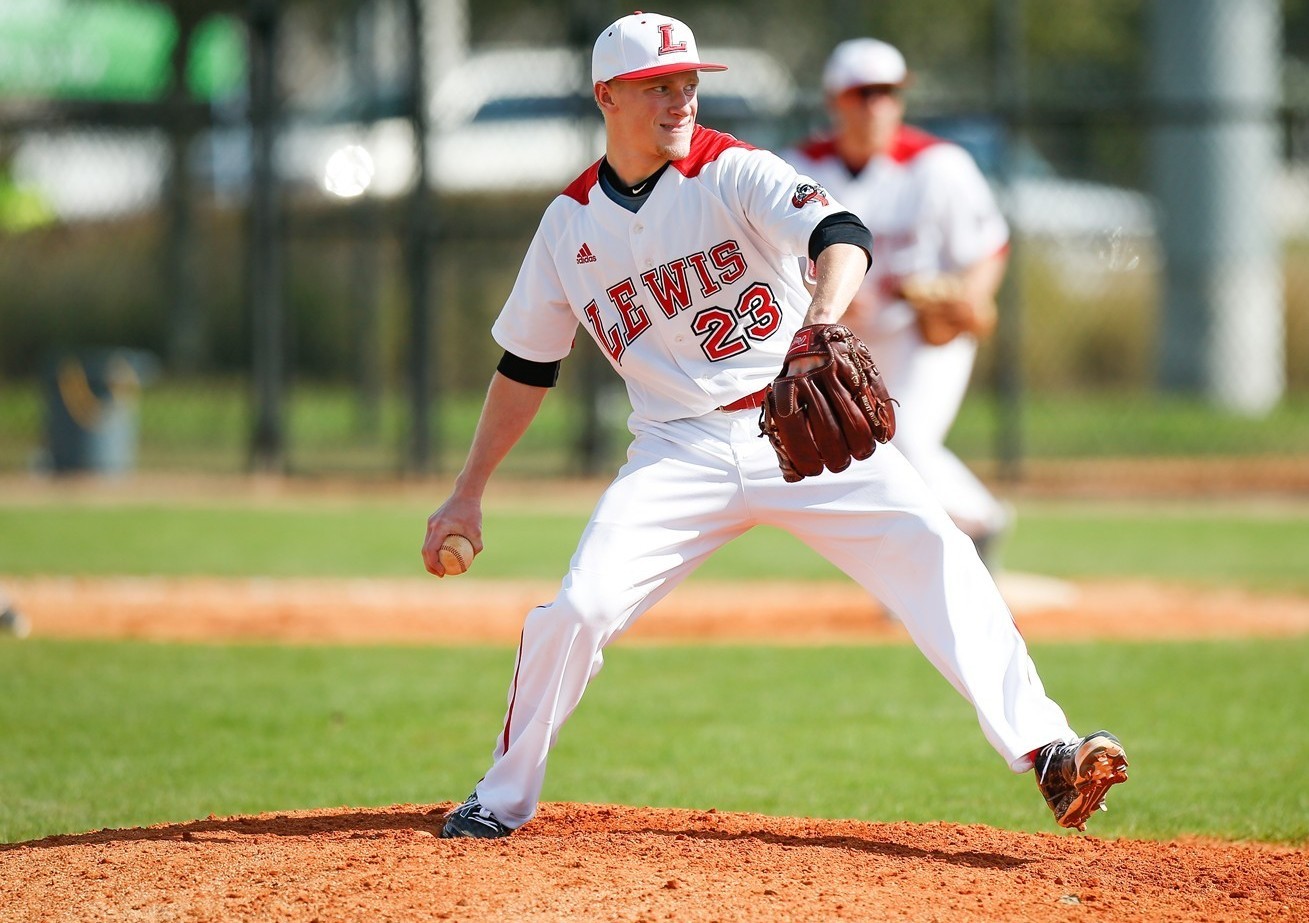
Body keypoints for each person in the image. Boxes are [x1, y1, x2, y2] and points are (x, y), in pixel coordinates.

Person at [421, 11, 1126, 840]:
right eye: (658, 86)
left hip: (793, 420)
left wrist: (819, 323)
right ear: (607, 95)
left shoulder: (733, 171)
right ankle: (500, 798)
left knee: (935, 550)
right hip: (674, 449)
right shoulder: (568, 224)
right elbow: (526, 366)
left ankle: (1046, 749)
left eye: (688, 83)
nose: (680, 99)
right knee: (579, 607)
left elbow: (840, 234)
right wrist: (467, 492)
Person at [781, 38, 1013, 567]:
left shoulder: (939, 166)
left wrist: (972, 298)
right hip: (844, 338)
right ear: (835, 101)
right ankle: (933, 554)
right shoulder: (797, 168)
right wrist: (821, 301)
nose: (877, 106)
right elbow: (769, 257)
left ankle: (981, 521)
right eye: (864, 94)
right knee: (865, 451)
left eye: (889, 93)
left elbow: (988, 247)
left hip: (919, 334)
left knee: (906, 437)